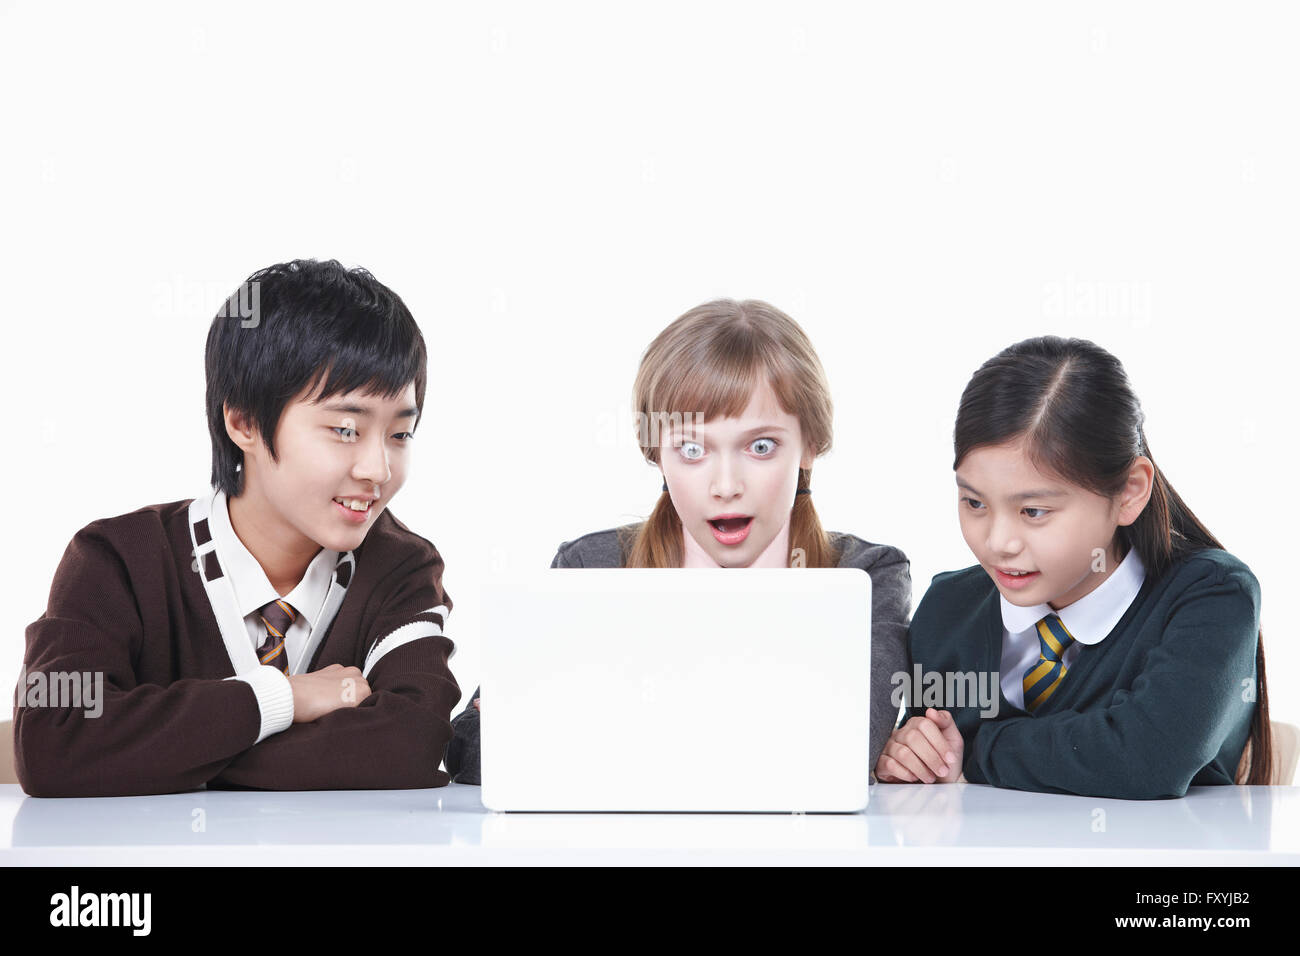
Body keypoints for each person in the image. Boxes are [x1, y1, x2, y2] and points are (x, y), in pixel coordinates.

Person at [14, 259, 460, 796]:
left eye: (400, 435)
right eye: (345, 429)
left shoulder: (402, 566)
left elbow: (412, 743)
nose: (377, 470)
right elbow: (53, 736)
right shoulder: (116, 560)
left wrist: (171, 753)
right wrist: (285, 698)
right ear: (244, 421)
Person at [445, 298, 911, 784]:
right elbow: (473, 749)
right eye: (692, 449)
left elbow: (848, 746)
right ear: (656, 453)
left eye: (760, 446)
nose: (726, 484)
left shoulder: (865, 574)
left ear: (809, 445)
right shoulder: (591, 567)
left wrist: (579, 722)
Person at [877, 335, 1270, 798]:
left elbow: (1146, 757)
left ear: (1128, 492)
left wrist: (981, 750)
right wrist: (913, 753)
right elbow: (939, 773)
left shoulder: (1211, 597)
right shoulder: (948, 609)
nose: (998, 543)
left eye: (1034, 512)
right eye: (974, 502)